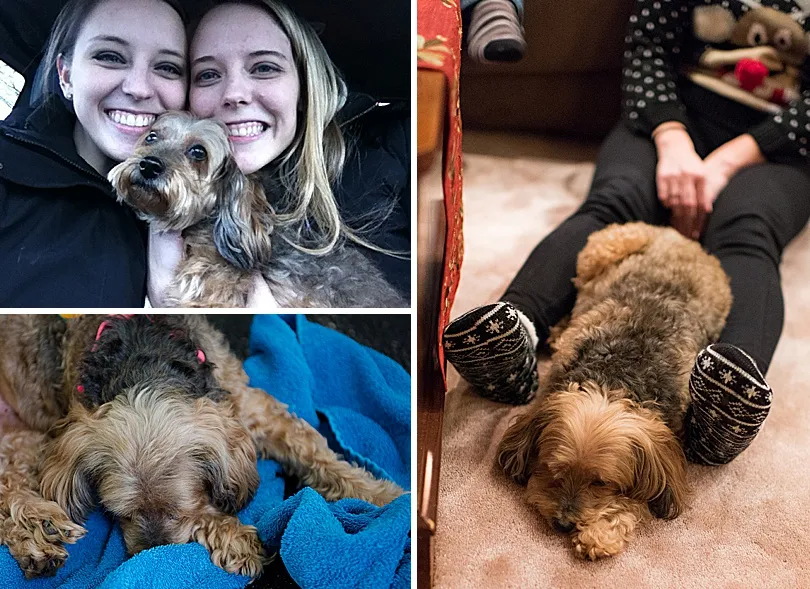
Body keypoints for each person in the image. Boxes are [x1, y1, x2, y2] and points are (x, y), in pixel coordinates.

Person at [444, 0, 810, 466]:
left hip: (781, 145)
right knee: (614, 200)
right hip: (670, 114)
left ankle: (728, 393)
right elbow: (648, 48)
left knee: (747, 232)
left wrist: (729, 161)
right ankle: (514, 329)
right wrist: (672, 139)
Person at [145, 0, 409, 307]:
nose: (234, 94)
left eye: (264, 68)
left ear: (304, 86)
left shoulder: (394, 151)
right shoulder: (151, 191)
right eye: (207, 75)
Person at [0, 0, 188, 307]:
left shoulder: (202, 211)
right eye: (110, 57)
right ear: (66, 75)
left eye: (167, 67)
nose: (139, 88)